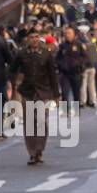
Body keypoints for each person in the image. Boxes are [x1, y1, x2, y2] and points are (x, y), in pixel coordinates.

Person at [12, 31, 59, 165]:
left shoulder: (46, 54)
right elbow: (12, 69)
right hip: (27, 92)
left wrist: (56, 95)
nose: (34, 39)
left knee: (41, 121)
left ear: (40, 39)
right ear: (28, 39)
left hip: (42, 92)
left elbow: (52, 76)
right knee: (29, 123)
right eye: (31, 37)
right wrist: (14, 82)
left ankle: (39, 149)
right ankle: (32, 152)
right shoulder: (21, 54)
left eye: (36, 37)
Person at [55, 26, 89, 106]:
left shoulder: (78, 44)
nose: (67, 35)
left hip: (76, 72)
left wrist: (78, 64)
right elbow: (57, 58)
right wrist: (60, 65)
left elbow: (85, 57)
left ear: (74, 34)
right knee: (64, 93)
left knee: (76, 93)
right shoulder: (62, 46)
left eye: (69, 33)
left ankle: (77, 111)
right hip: (65, 73)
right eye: (66, 33)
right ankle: (65, 111)